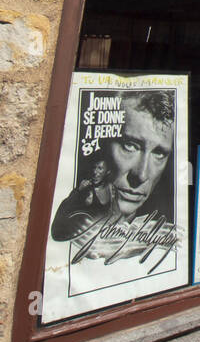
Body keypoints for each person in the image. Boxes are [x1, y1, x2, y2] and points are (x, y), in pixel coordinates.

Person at [51, 90, 177, 261]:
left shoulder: (165, 231)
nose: (141, 175)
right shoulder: (81, 200)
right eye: (130, 146)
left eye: (159, 153)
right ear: (103, 143)